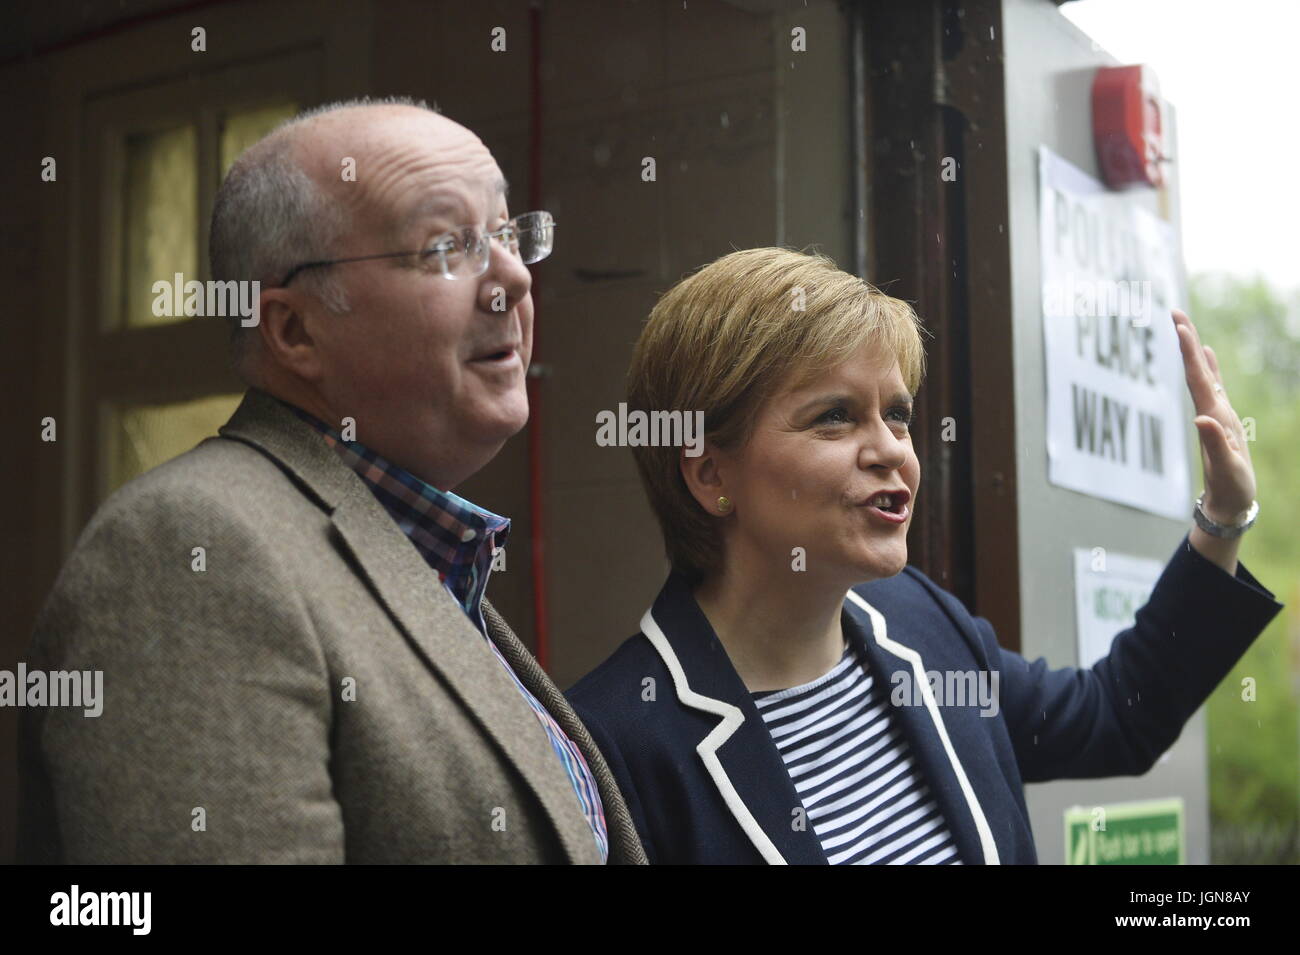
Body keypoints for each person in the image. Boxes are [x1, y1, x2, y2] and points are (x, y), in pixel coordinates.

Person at [19, 97, 646, 864]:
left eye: (511, 236)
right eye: (448, 246)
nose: (512, 279)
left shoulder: (423, 548)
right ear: (294, 329)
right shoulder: (190, 550)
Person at [565, 247, 1282, 865]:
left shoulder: (918, 621)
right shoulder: (611, 744)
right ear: (709, 473)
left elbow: (1115, 719)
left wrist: (1221, 518)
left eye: (898, 414)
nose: (891, 451)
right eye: (836, 415)